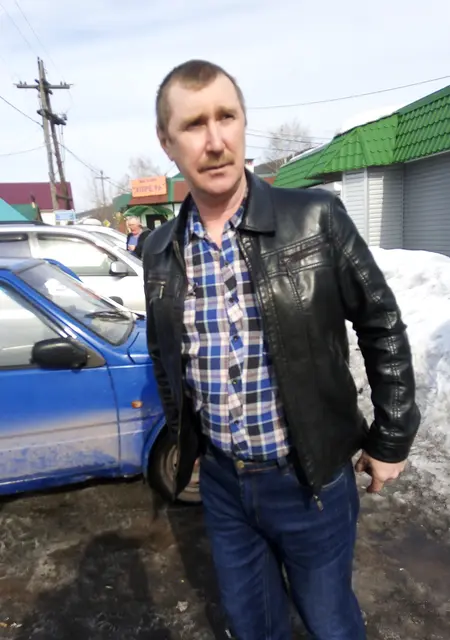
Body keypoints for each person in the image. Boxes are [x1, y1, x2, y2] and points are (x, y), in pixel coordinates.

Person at [142, 60, 420, 640]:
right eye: (193, 124)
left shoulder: (314, 218)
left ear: (244, 123)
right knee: (253, 626)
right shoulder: (160, 250)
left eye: (226, 117)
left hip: (309, 481)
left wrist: (392, 435)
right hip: (223, 486)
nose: (215, 140)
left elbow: (381, 322)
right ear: (167, 143)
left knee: (330, 623)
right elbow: (168, 359)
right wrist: (189, 440)